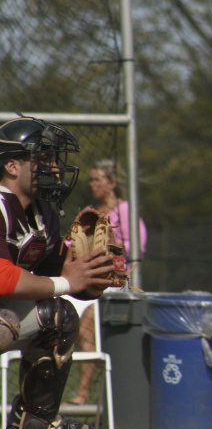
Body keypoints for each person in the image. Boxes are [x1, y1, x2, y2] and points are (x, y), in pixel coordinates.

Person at [0, 117, 114, 429]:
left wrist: (92, 276)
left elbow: (60, 275)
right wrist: (67, 281)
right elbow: (4, 276)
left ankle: (32, 424)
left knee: (59, 316)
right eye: (43, 158)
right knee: (4, 325)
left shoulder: (42, 212)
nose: (54, 167)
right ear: (11, 166)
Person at [66, 158, 147, 406]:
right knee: (74, 319)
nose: (92, 184)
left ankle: (82, 394)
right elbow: (74, 244)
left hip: (115, 281)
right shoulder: (92, 212)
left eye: (97, 179)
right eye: (90, 179)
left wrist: (109, 249)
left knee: (88, 319)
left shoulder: (124, 211)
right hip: (89, 278)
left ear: (111, 183)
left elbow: (138, 247)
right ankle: (76, 391)